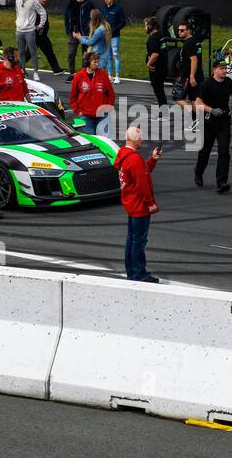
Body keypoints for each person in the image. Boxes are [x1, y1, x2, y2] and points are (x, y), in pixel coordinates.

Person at [115, 126, 161, 283]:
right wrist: (150, 203)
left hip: (131, 203)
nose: (142, 140)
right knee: (139, 241)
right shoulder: (134, 158)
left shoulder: (124, 155)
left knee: (132, 239)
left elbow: (143, 171)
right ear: (135, 139)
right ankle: (139, 273)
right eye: (141, 137)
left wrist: (153, 159)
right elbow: (142, 183)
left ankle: (132, 271)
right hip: (139, 205)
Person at [194, 61, 232, 194]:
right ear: (214, 70)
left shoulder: (229, 82)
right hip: (209, 121)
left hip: (224, 122)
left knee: (224, 152)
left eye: (226, 68)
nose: (224, 71)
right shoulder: (206, 84)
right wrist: (211, 110)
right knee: (205, 151)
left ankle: (221, 182)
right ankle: (198, 172)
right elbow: (197, 103)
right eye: (222, 68)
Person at [68, 52, 115, 129]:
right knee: (91, 139)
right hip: (86, 116)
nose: (97, 64)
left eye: (98, 61)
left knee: (103, 140)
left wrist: (107, 108)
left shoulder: (103, 75)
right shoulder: (78, 76)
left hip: (102, 115)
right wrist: (78, 111)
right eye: (95, 62)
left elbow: (111, 94)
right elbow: (73, 97)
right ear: (87, 63)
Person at [63, 0, 96, 78]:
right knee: (71, 53)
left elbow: (94, 17)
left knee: (85, 54)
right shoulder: (71, 2)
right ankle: (72, 73)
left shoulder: (89, 4)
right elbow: (66, 16)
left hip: (85, 32)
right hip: (73, 31)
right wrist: (68, 30)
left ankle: (84, 72)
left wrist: (90, 30)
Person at [14, 0, 45, 77]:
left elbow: (42, 12)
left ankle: (36, 72)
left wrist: (40, 25)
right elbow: (17, 12)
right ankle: (23, 72)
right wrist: (17, 22)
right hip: (19, 30)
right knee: (21, 52)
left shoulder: (33, 1)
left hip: (30, 31)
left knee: (33, 51)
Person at [172, 19, 202, 111]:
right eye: (178, 30)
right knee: (193, 98)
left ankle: (192, 115)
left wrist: (192, 76)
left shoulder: (188, 44)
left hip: (186, 75)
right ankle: (197, 120)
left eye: (182, 30)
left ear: (188, 30)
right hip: (196, 74)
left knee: (177, 97)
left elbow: (194, 59)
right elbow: (201, 58)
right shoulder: (196, 41)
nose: (179, 32)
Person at [74, 8, 113, 74]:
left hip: (100, 56)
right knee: (99, 75)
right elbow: (93, 38)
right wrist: (81, 37)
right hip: (104, 53)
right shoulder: (105, 25)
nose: (90, 18)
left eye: (91, 17)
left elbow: (90, 42)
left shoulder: (99, 30)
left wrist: (79, 38)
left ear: (95, 18)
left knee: (98, 76)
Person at [34, 0, 63, 75]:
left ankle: (56, 69)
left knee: (49, 51)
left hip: (42, 35)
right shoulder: (35, 9)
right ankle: (16, 67)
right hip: (37, 35)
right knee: (29, 53)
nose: (44, 0)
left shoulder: (41, 8)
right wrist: (37, 29)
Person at [101, 0, 126, 83]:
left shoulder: (118, 8)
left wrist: (114, 30)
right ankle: (110, 75)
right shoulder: (103, 8)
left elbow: (123, 22)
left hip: (115, 36)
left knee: (115, 55)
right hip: (105, 36)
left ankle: (117, 76)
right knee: (108, 56)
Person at [144, 17, 168, 106]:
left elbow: (155, 54)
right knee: (160, 90)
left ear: (150, 27)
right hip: (163, 67)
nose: (145, 28)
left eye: (146, 26)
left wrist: (148, 63)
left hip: (156, 69)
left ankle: (164, 114)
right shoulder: (160, 36)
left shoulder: (153, 39)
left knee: (158, 91)